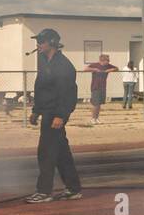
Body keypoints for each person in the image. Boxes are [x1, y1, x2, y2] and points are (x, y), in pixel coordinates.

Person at [25, 28, 82, 203]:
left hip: (55, 114)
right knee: (61, 152)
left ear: (52, 42)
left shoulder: (63, 65)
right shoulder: (44, 61)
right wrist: (36, 110)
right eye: (38, 41)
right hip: (47, 112)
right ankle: (73, 189)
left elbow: (68, 94)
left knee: (46, 152)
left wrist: (61, 115)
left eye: (41, 41)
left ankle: (44, 192)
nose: (38, 44)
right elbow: (42, 89)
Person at [85, 53, 118, 124]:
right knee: (96, 104)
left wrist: (110, 70)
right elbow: (86, 69)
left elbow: (116, 68)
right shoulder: (95, 65)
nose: (108, 62)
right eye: (107, 60)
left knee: (99, 104)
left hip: (103, 87)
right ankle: (93, 118)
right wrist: (95, 69)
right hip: (95, 87)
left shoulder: (107, 66)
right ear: (102, 60)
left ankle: (97, 118)